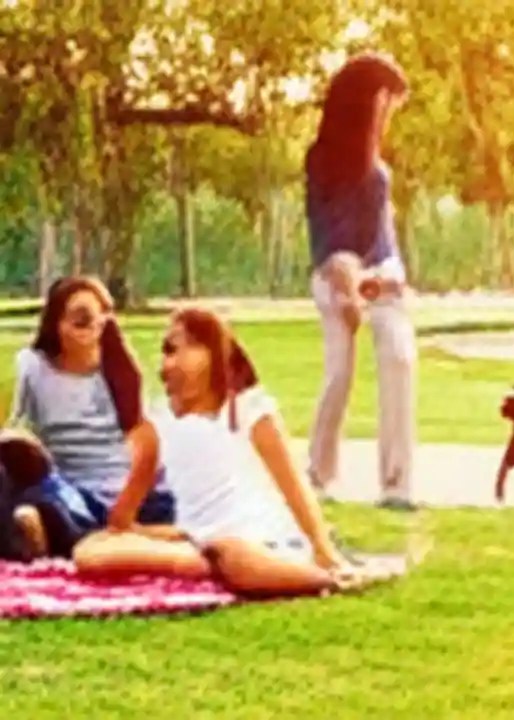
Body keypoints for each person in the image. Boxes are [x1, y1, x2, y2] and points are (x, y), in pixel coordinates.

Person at [72, 308, 357, 597]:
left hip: (259, 542)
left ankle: (322, 579)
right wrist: (139, 533)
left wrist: (325, 551)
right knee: (90, 551)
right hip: (197, 542)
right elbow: (122, 520)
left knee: (231, 553)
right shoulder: (160, 421)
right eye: (164, 354)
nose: (165, 365)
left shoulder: (249, 408)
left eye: (174, 350)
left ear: (209, 352)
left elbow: (294, 485)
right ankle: (204, 566)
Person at [304, 52, 418, 509]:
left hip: (380, 274)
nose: (390, 113)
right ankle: (319, 471)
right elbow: (329, 233)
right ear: (371, 99)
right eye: (389, 101)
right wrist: (348, 283)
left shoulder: (379, 171)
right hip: (336, 272)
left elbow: (382, 240)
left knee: (398, 356)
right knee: (340, 372)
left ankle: (397, 484)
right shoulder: (323, 158)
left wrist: (387, 280)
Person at [6, 277, 175, 557]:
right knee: (39, 495)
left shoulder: (121, 371)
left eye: (93, 318)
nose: (87, 327)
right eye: (77, 319)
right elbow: (16, 423)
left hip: (132, 497)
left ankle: (97, 536)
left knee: (179, 501)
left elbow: (145, 445)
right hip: (74, 490)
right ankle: (76, 533)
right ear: (56, 323)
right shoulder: (32, 366)